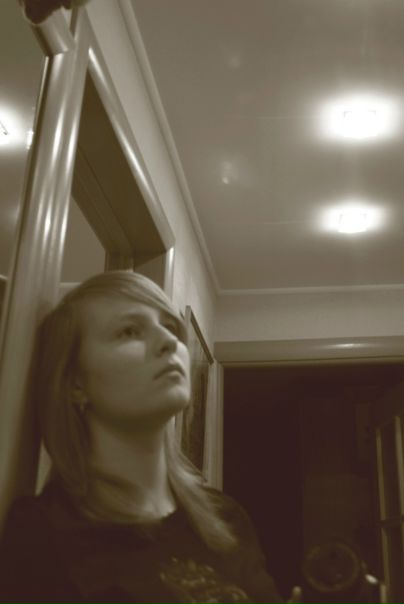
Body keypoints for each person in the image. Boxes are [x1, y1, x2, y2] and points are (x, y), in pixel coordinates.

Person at [0, 270, 299, 603]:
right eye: (129, 331)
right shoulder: (43, 533)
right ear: (75, 383)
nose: (169, 340)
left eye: (169, 326)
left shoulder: (226, 518)